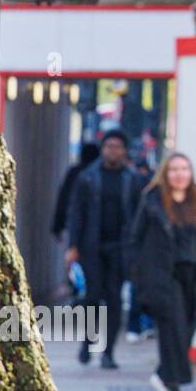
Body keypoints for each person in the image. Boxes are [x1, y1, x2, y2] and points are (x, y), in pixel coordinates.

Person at [127, 151, 196, 391]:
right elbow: (136, 238)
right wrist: (136, 272)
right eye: (174, 170)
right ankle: (172, 387)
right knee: (171, 329)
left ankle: (163, 374)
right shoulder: (152, 200)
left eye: (184, 169)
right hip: (164, 274)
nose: (179, 174)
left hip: (195, 275)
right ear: (165, 173)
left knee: (187, 328)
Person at [65, 129, 148, 368]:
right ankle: (88, 342)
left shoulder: (133, 180)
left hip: (121, 248)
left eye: (118, 147)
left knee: (113, 300)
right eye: (109, 146)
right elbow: (76, 213)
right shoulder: (88, 177)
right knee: (92, 298)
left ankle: (108, 352)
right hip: (92, 247)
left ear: (124, 151)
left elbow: (140, 216)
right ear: (103, 149)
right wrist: (73, 245)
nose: (113, 151)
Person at [51, 141, 99, 240]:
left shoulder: (75, 173)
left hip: (73, 223)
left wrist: (57, 226)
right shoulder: (98, 175)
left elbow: (63, 198)